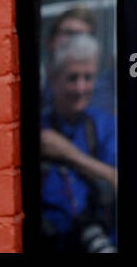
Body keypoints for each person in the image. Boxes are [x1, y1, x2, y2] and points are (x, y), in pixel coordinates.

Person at [40, 32, 118, 251]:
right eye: (72, 78)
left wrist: (69, 155)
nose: (81, 88)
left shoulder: (105, 126)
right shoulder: (39, 128)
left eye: (88, 77)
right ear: (53, 79)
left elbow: (121, 181)